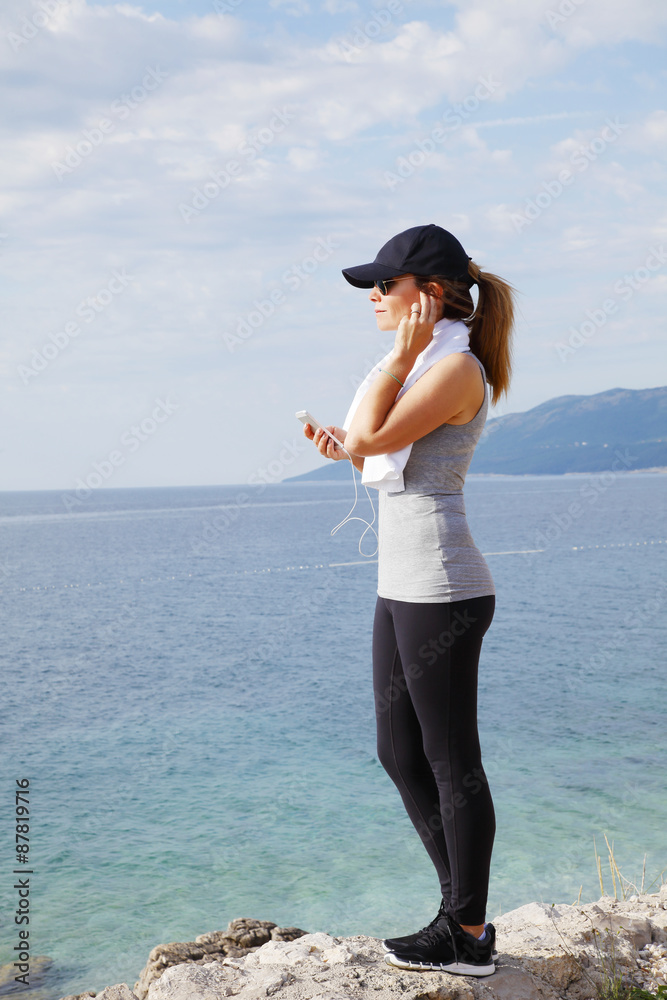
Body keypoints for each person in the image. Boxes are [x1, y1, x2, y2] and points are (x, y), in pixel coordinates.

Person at [303, 223, 515, 977]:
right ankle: (458, 917)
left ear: (426, 294)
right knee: (398, 753)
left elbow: (371, 438)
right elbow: (374, 449)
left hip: (442, 587)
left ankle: (468, 932)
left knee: (453, 762)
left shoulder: (450, 368)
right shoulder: (429, 362)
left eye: (382, 285)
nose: (371, 297)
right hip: (402, 584)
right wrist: (351, 448)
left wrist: (391, 369)